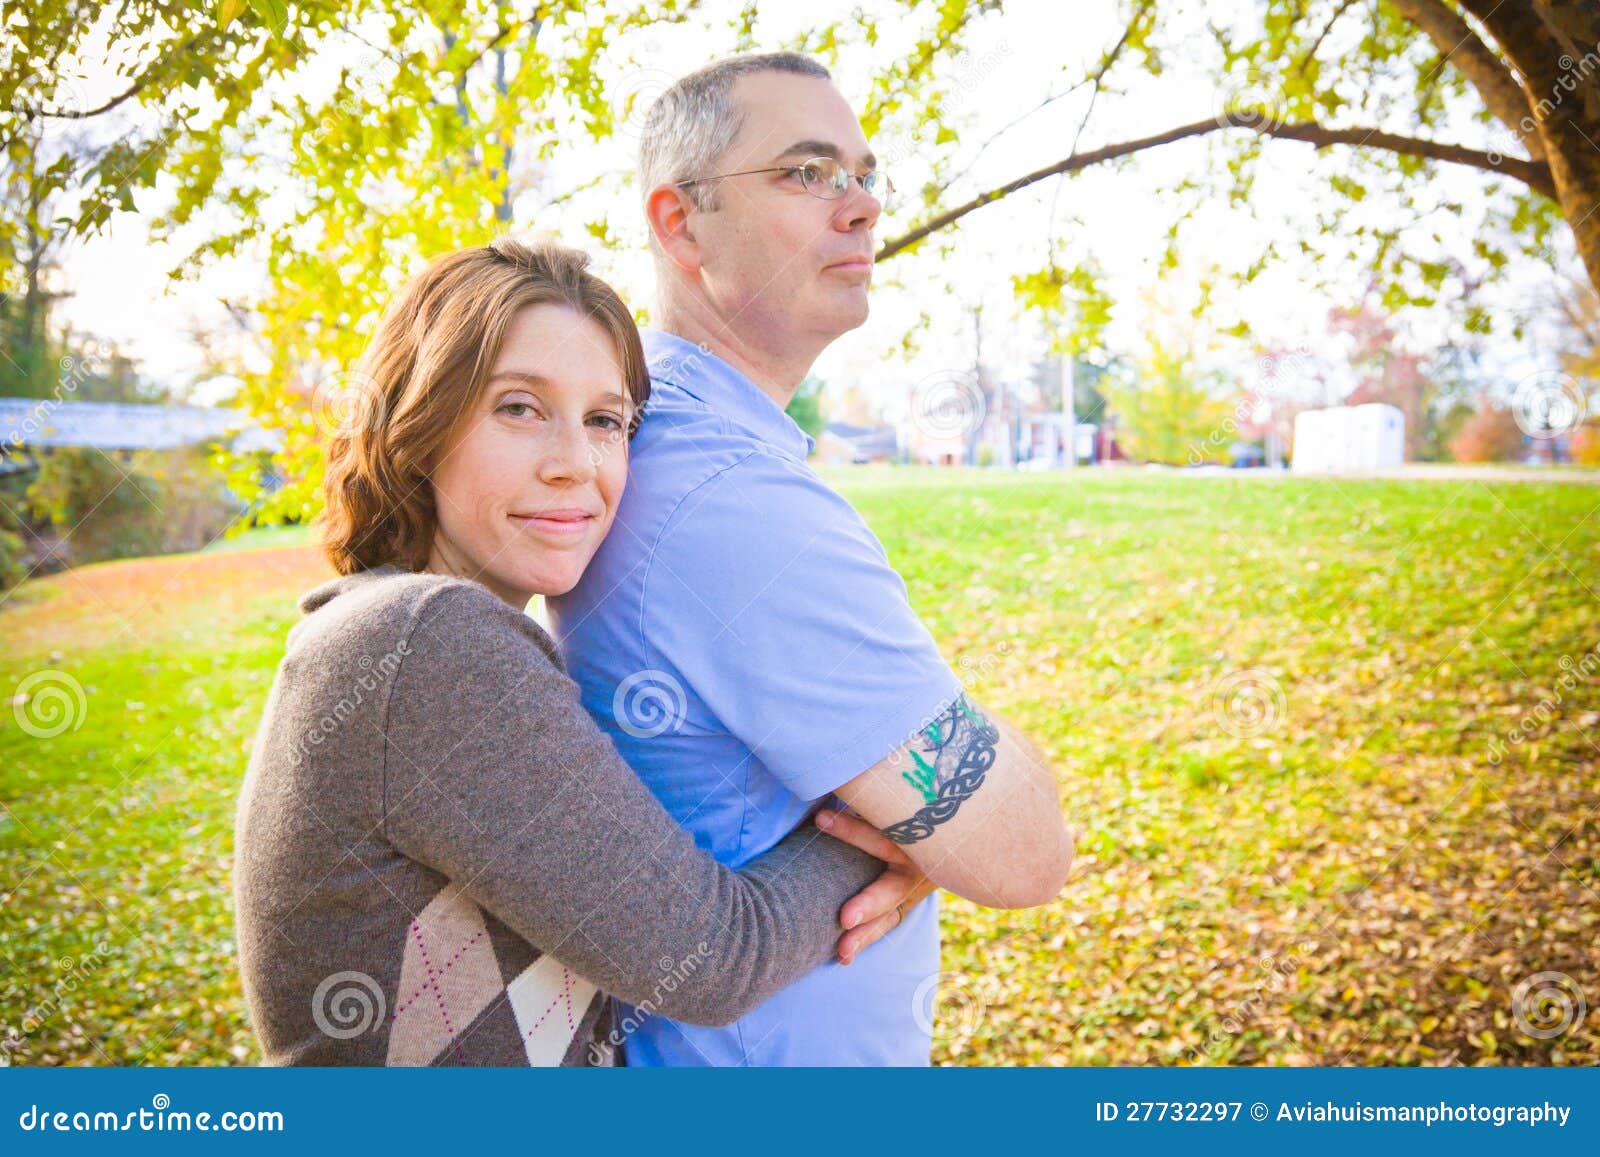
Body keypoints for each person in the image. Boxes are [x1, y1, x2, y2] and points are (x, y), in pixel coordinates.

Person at [233, 238, 928, 1065]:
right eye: (519, 408)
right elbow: (709, 958)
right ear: (417, 424)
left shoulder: (383, 630)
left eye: (606, 421)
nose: (575, 465)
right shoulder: (428, 643)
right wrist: (908, 831)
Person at [547, 53, 1076, 1067]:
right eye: (806, 172)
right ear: (679, 223)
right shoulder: (730, 501)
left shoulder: (659, 444)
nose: (863, 206)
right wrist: (932, 827)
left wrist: (933, 826)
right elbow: (1023, 852)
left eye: (866, 175)